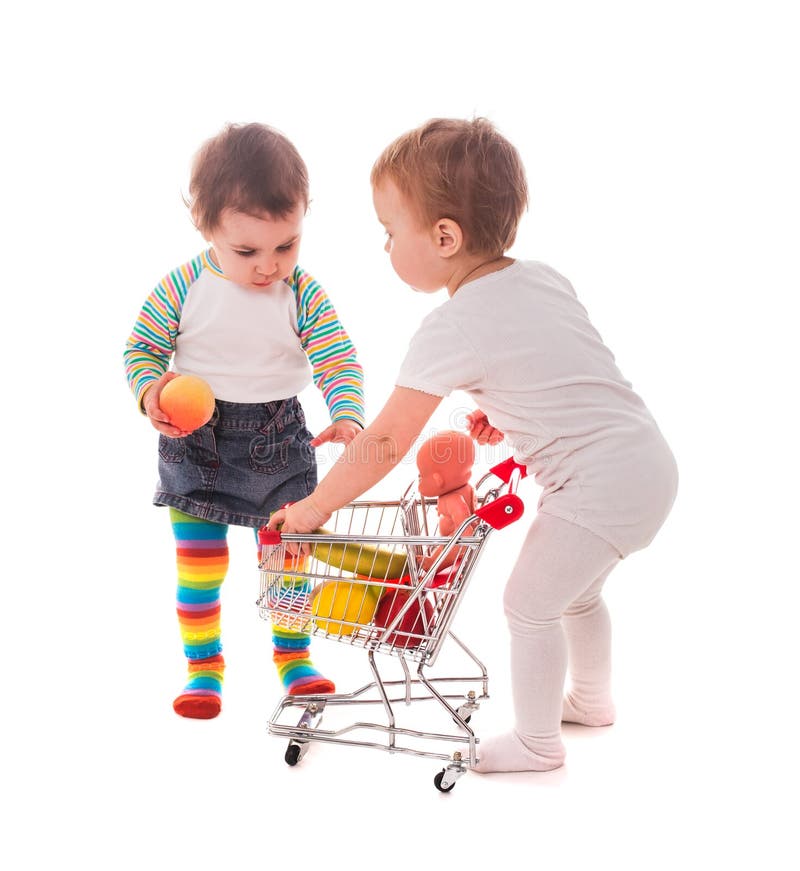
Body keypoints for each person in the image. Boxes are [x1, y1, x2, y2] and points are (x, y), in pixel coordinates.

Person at [268, 117, 678, 772]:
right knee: (578, 595)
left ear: (444, 237)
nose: (385, 247)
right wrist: (505, 411)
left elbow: (385, 442)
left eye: (389, 232)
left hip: (599, 484)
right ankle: (593, 701)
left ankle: (540, 742)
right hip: (646, 462)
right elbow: (558, 369)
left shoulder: (451, 325)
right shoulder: (543, 277)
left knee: (528, 602)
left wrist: (315, 508)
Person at [124, 122, 364, 720]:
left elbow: (335, 354)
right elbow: (141, 350)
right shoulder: (183, 286)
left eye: (287, 246)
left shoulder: (301, 293)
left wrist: (346, 412)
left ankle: (293, 658)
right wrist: (152, 390)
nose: (269, 266)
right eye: (248, 251)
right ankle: (204, 669)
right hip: (196, 446)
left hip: (280, 441)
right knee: (200, 571)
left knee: (287, 563)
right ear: (207, 230)